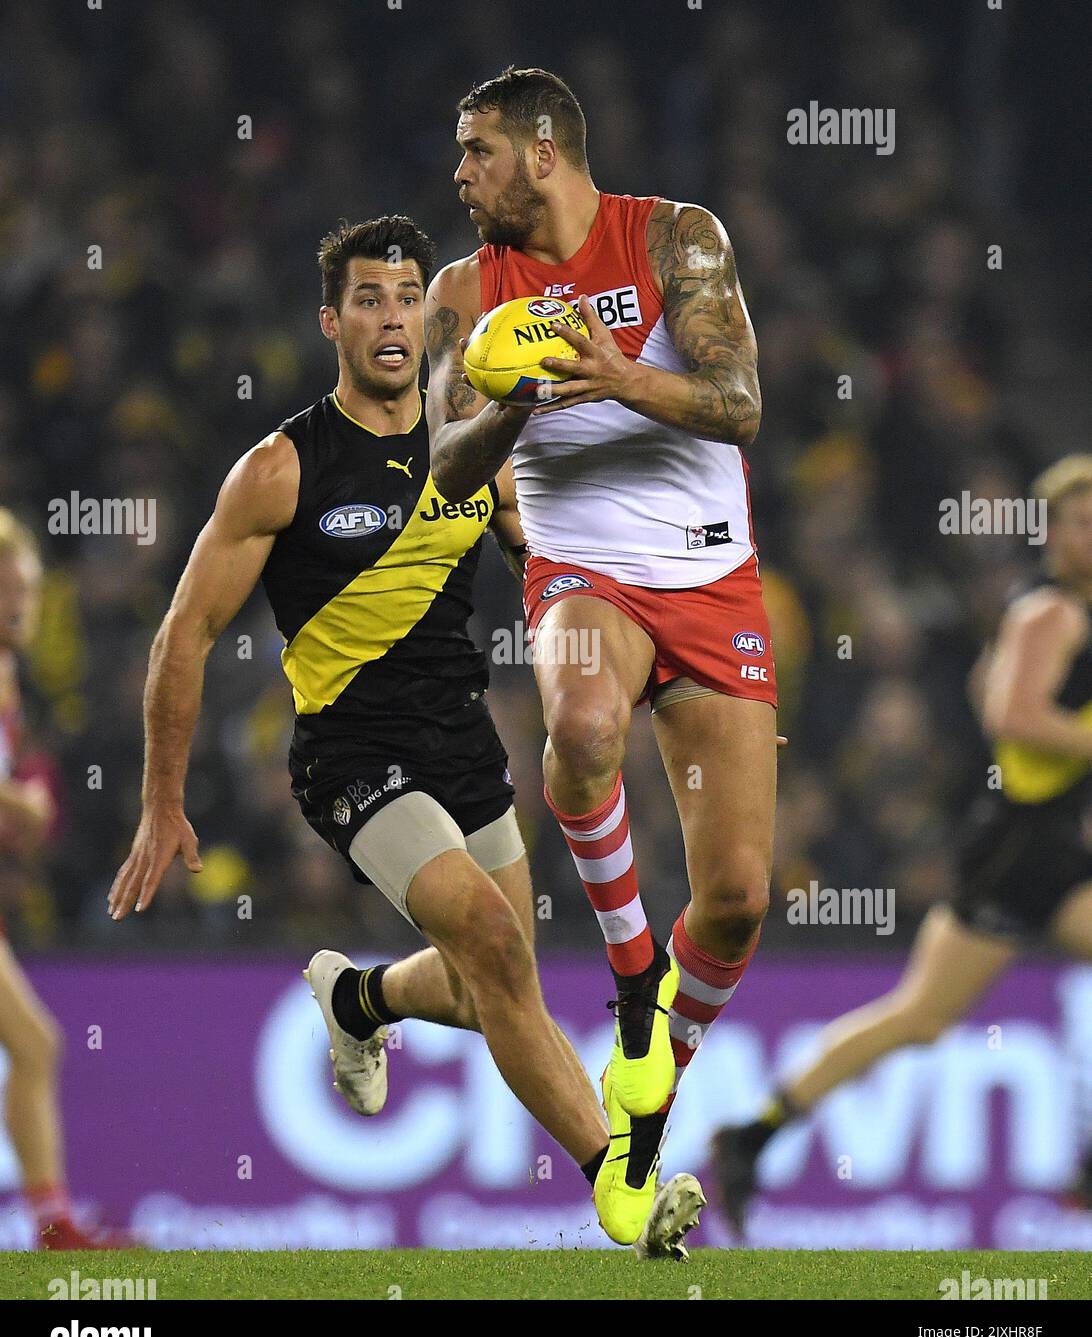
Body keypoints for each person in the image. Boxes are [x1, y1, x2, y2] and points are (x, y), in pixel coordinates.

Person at [109, 215, 701, 1256]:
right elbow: (184, 635)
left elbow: (576, 583)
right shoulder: (280, 470)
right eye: (369, 300)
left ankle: (359, 992)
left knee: (489, 984)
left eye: (407, 298)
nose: (391, 318)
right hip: (350, 754)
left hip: (461, 743)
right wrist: (161, 800)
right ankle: (626, 1186)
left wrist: (693, 686)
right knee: (492, 946)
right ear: (331, 321)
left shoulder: (471, 450)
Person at [426, 66, 775, 1194]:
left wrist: (620, 375)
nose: (461, 173)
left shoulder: (676, 237)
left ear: (541, 151)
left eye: (478, 149)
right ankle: (632, 972)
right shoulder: (463, 290)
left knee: (736, 898)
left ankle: (648, 1093)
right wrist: (517, 397)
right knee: (578, 727)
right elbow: (444, 463)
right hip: (584, 570)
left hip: (714, 577)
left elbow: (739, 402)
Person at [712, 455, 1092, 1232]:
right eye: (1082, 521)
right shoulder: (1052, 613)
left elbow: (985, 684)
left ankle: (754, 1136)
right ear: (1052, 534)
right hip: (1021, 852)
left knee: (917, 1015)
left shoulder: (1048, 607)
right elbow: (1013, 716)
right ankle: (754, 1132)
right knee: (920, 1017)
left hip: (1057, 848)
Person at [0, 513, 129, 1249]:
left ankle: (53, 1224)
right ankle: (52, 1225)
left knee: (35, 1044)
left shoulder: (10, 672)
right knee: (34, 1044)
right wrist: (21, 802)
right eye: (12, 592)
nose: (26, 607)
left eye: (33, 592)